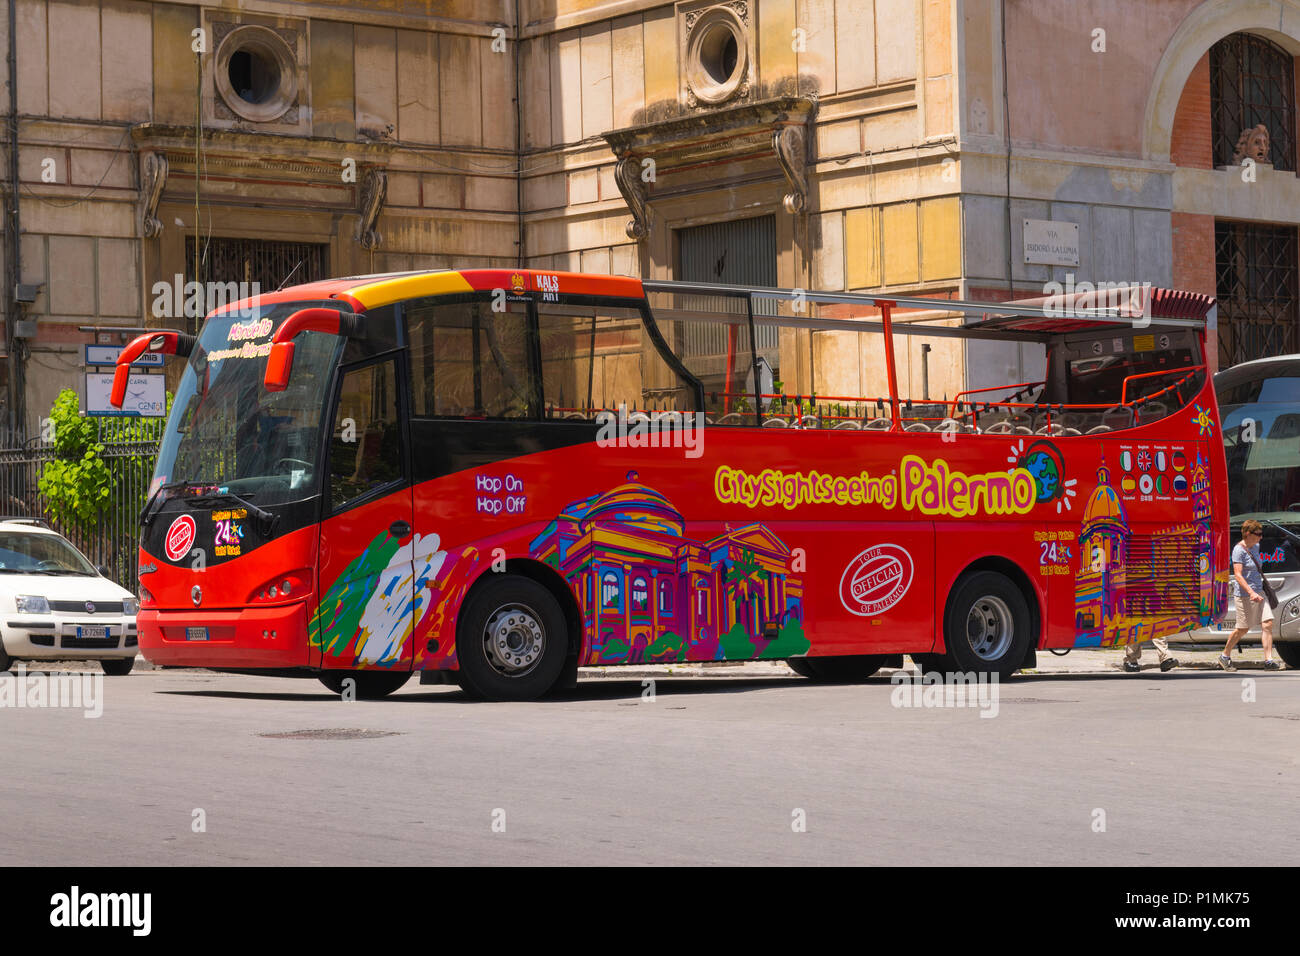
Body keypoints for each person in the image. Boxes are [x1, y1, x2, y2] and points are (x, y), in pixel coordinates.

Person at [1219, 520, 1280, 671]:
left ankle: (1268, 660)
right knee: (1242, 629)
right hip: (1245, 595)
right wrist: (1251, 592)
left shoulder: (1256, 547)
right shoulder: (1238, 550)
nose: (1260, 537)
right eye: (1257, 534)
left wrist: (1256, 591)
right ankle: (1224, 656)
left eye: (1261, 534)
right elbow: (1238, 575)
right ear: (1247, 534)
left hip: (1259, 592)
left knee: (1268, 623)